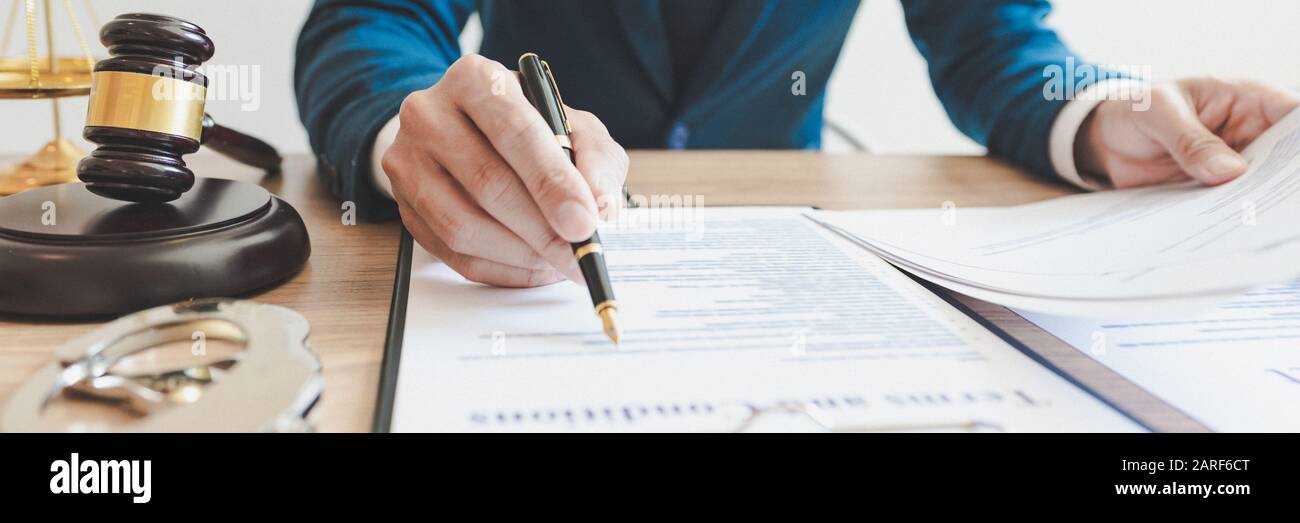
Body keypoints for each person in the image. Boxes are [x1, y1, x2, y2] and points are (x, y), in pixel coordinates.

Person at [295, 0, 1299, 287]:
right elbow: (368, 22)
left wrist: (1096, 107)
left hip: (781, 244)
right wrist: (404, 131)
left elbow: (996, 41)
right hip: (520, 238)